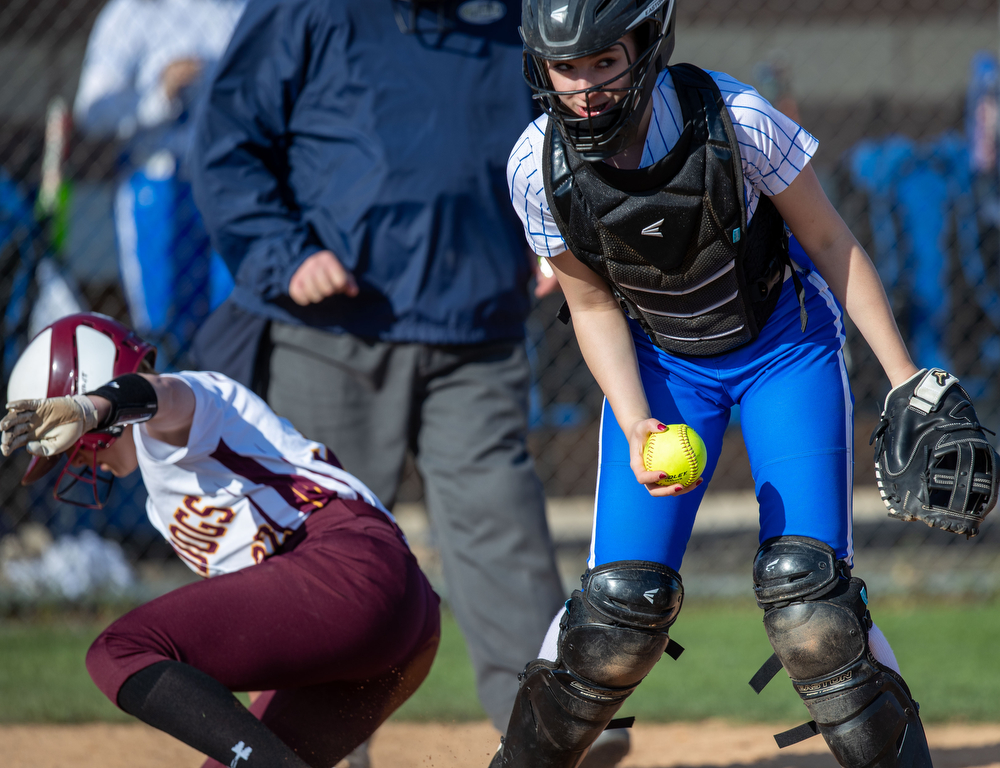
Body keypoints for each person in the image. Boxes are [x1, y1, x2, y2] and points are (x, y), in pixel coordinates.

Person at [491, 0, 963, 765]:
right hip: (662, 364)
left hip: (783, 348)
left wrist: (907, 376)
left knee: (810, 599)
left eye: (603, 62)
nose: (583, 88)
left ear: (645, 48)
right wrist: (638, 418)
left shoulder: (734, 117)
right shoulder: (535, 165)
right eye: (564, 67)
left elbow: (828, 237)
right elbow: (588, 303)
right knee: (614, 612)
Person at [188, 1, 620, 765]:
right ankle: (305, 750)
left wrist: (553, 233)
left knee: (504, 532)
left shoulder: (509, 15)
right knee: (328, 559)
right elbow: (228, 145)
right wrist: (284, 254)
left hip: (477, 324)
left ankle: (550, 736)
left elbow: (558, 135)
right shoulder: (307, 10)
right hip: (333, 330)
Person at [0, 312, 440, 768]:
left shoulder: (179, 410)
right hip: (395, 630)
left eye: (72, 445)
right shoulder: (162, 505)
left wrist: (91, 408)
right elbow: (265, 633)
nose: (82, 463)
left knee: (117, 651)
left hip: (352, 563)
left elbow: (160, 393)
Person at [73, 0, 245, 364]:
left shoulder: (237, 9)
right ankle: (169, 413)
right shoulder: (134, 12)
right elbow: (92, 110)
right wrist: (159, 95)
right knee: (163, 329)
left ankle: (225, 413)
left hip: (228, 182)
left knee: (233, 322)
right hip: (157, 181)